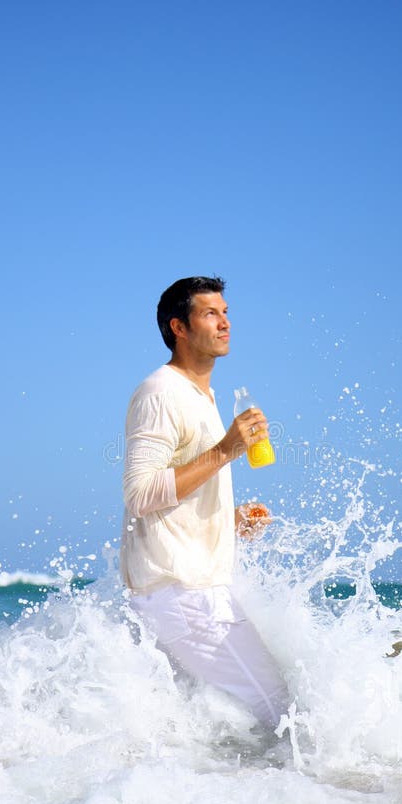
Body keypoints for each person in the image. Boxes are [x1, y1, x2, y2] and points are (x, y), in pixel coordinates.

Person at [120, 276, 289, 727]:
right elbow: (139, 494)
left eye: (227, 312)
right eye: (210, 313)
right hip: (184, 594)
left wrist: (229, 520)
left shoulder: (204, 395)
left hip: (193, 590)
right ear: (179, 326)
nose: (225, 322)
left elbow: (175, 498)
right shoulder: (160, 392)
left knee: (219, 726)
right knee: (282, 712)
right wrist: (225, 450)